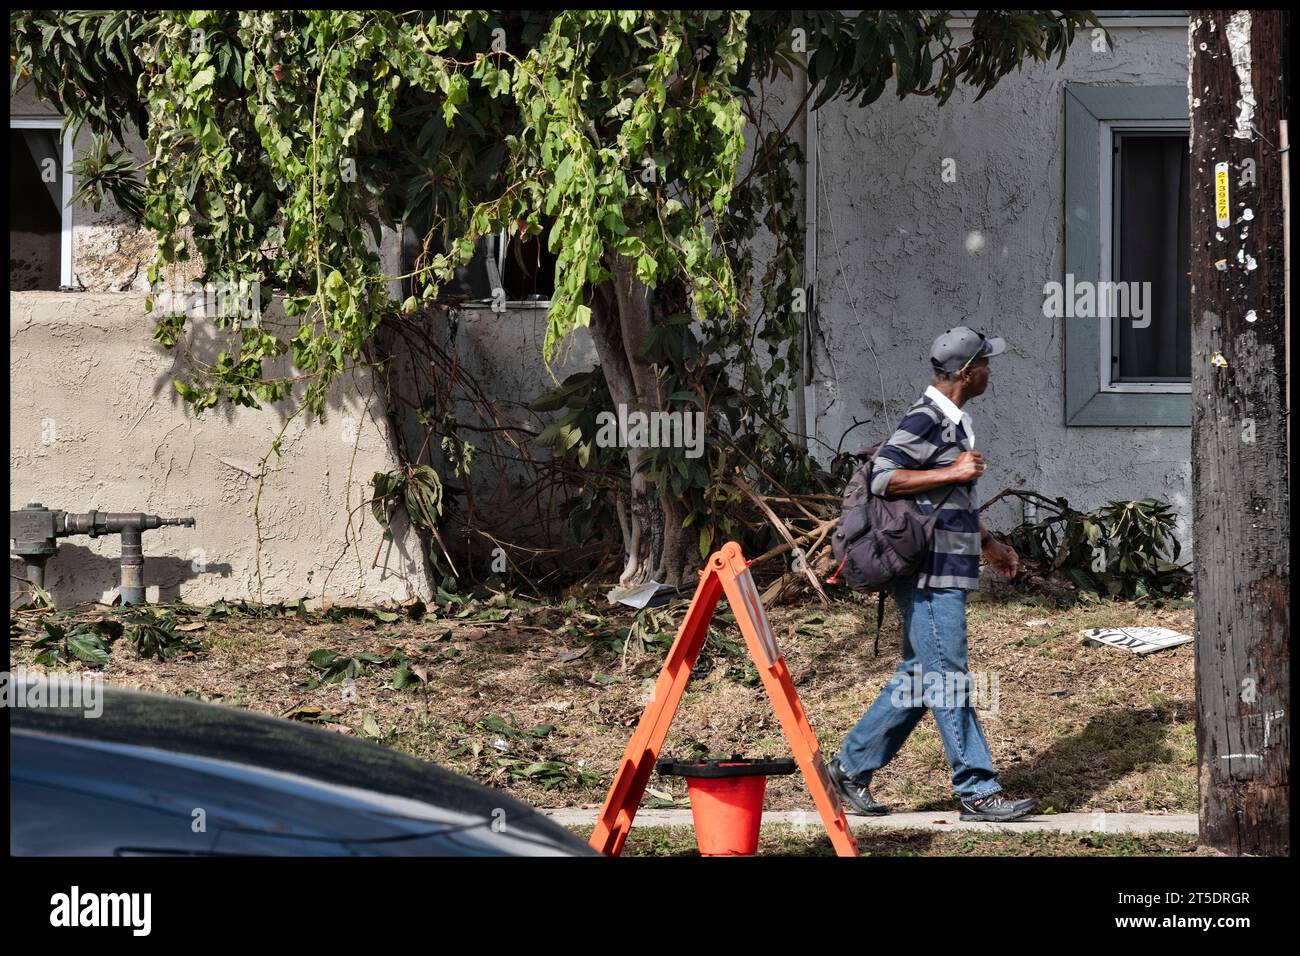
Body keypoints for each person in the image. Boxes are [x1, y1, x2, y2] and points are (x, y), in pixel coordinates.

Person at [826, 326, 1039, 822]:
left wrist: (988, 544)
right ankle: (978, 790)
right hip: (928, 574)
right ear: (967, 373)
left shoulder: (953, 422)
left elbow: (946, 502)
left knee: (922, 678)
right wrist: (954, 472)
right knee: (948, 678)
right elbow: (884, 476)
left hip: (949, 564)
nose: (991, 371)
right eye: (986, 364)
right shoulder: (925, 418)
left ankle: (851, 767)